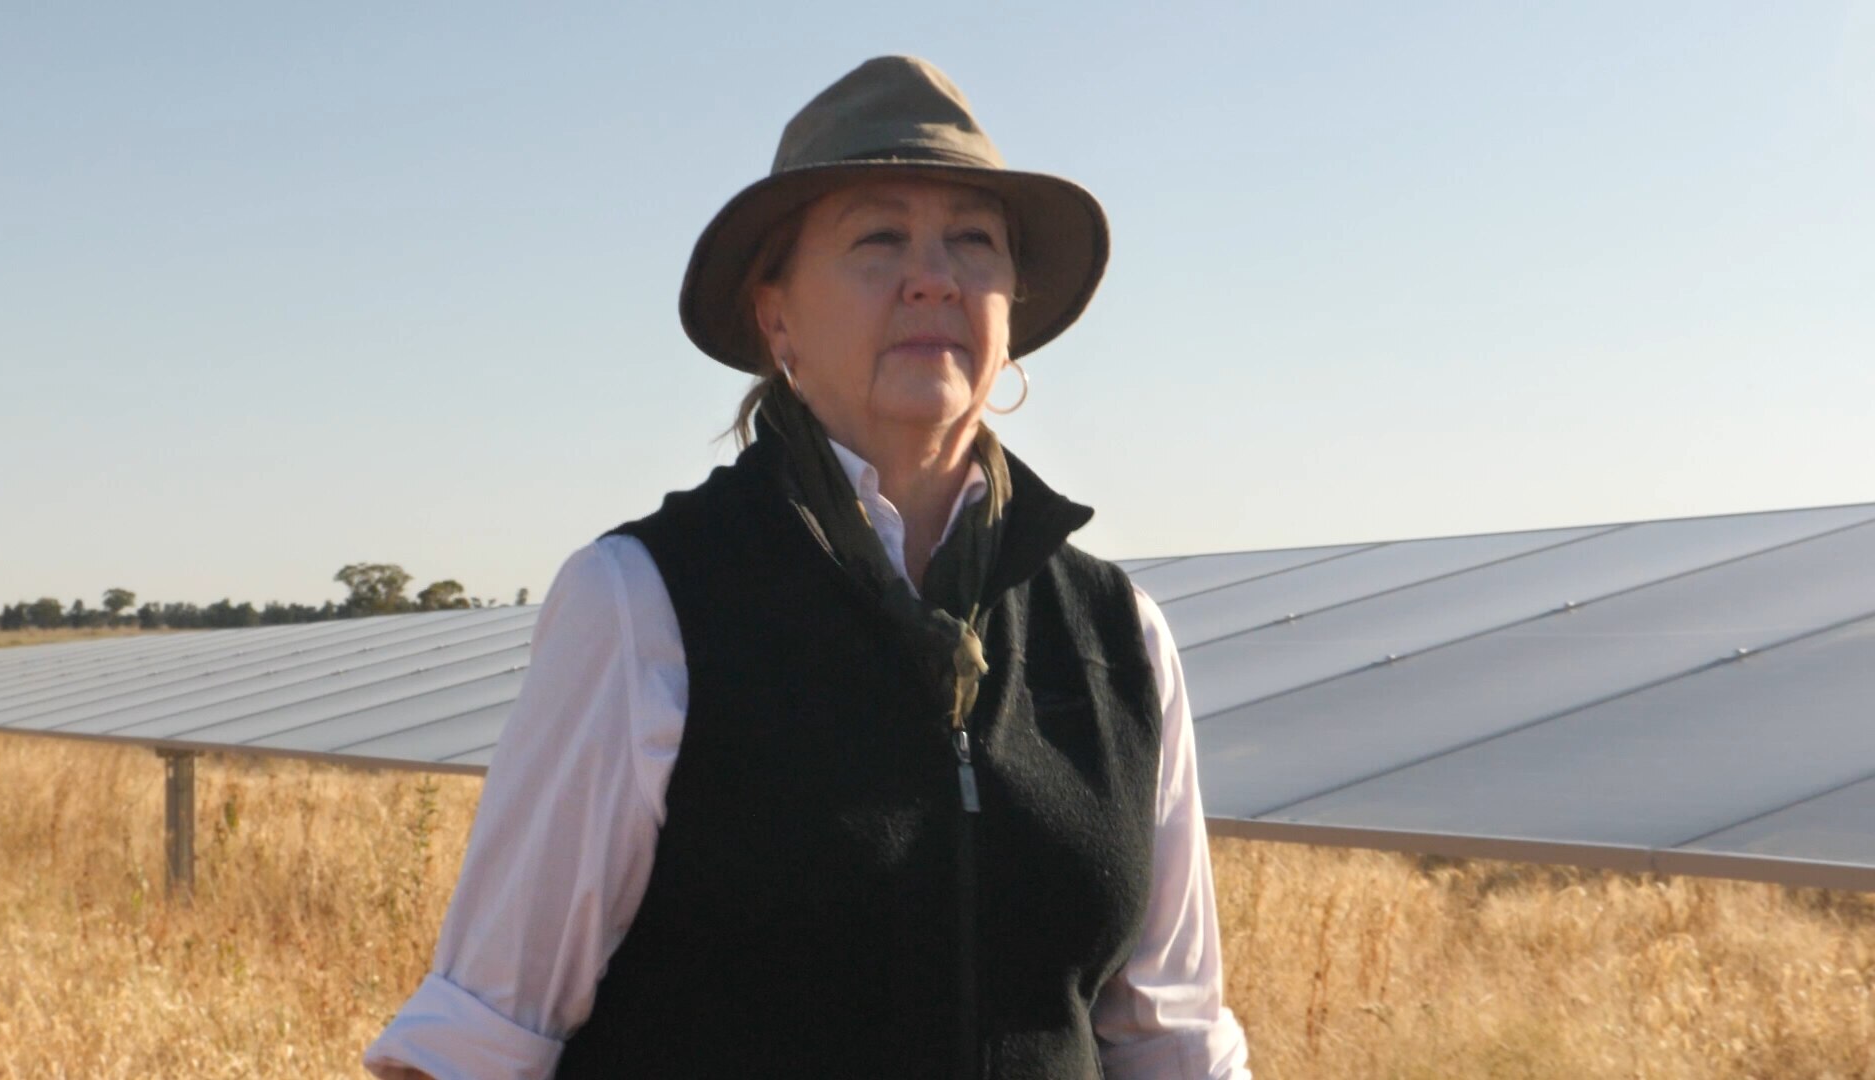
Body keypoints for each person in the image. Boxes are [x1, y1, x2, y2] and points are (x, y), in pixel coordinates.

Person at [364, 55, 1250, 1080]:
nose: (934, 274)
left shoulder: (1116, 636)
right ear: (775, 318)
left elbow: (1173, 1037)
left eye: (973, 240)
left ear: (1011, 306)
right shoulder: (647, 604)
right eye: (880, 238)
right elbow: (476, 1043)